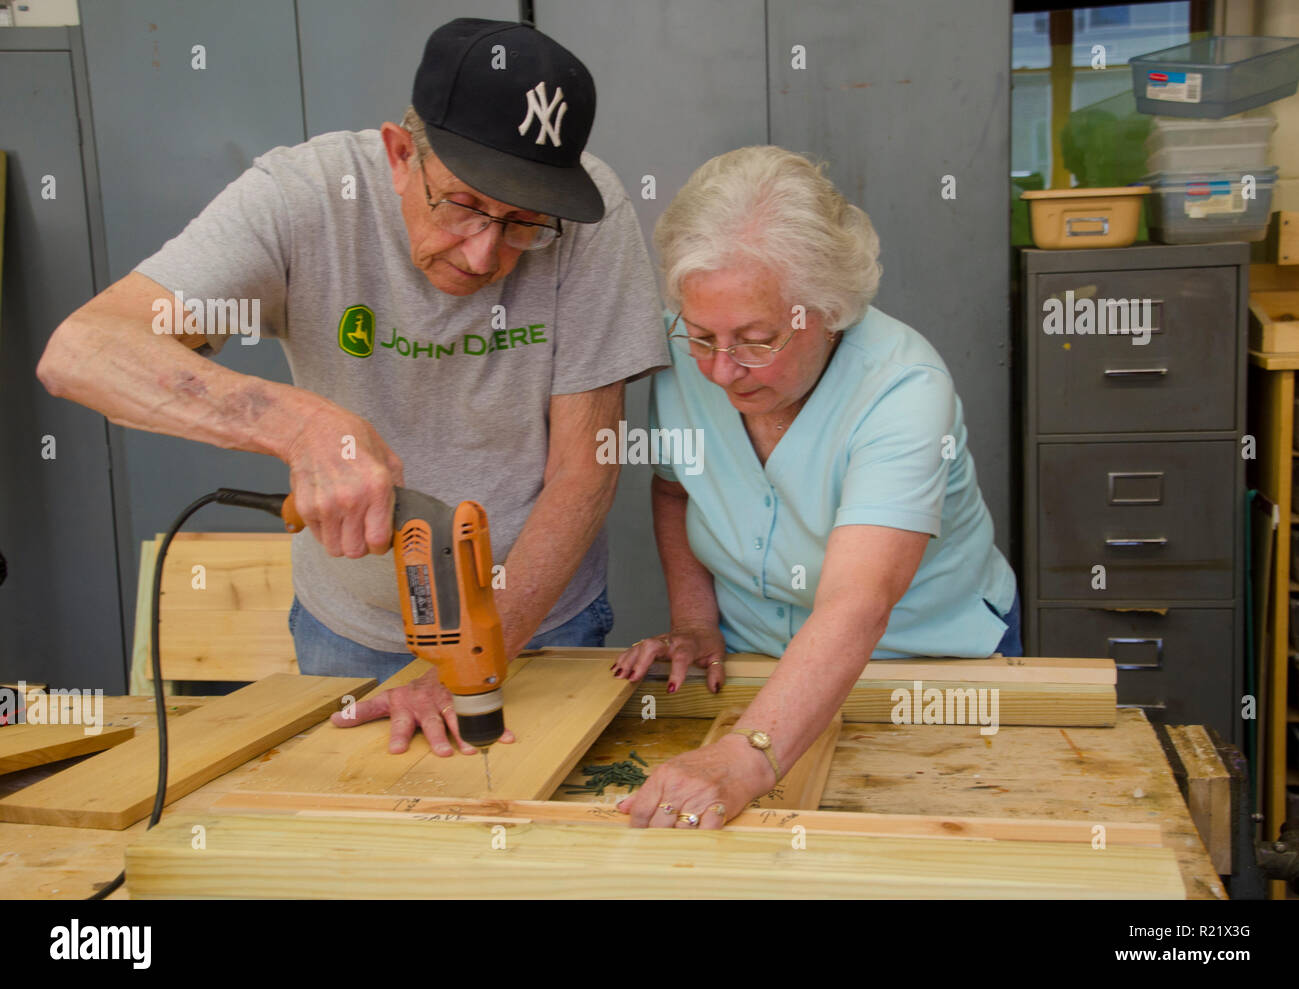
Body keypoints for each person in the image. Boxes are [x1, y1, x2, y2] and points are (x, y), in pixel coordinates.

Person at [37, 18, 667, 758]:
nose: (485, 251)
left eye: (523, 223)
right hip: (349, 629)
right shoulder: (302, 199)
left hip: (542, 617)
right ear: (401, 155)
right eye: (462, 204)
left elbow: (584, 468)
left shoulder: (592, 216)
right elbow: (81, 351)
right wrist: (299, 426)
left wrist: (476, 656)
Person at [612, 146, 1019, 829]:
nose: (718, 370)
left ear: (827, 309)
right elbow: (676, 487)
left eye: (755, 339)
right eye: (701, 335)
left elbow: (857, 602)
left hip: (925, 667)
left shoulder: (903, 388)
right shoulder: (684, 357)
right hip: (758, 667)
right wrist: (694, 620)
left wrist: (744, 759)